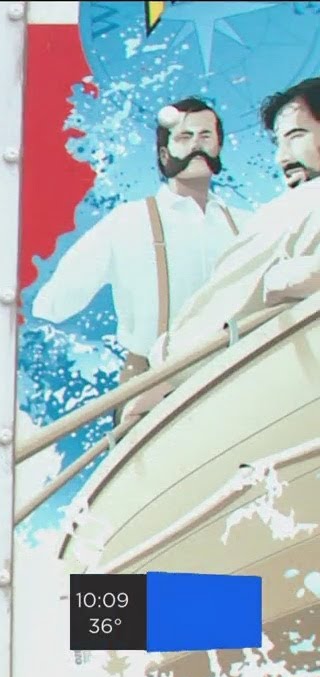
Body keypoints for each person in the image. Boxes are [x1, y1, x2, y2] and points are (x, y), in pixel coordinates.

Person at [120, 78, 320, 421]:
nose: (281, 158)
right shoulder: (134, 220)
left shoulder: (304, 202)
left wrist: (162, 379)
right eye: (278, 143)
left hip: (192, 384)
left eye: (296, 136)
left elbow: (260, 288)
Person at [31, 97, 249, 385]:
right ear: (163, 154)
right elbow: (54, 303)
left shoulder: (247, 224)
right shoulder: (128, 222)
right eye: (185, 137)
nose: (197, 145)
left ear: (219, 146)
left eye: (205, 136)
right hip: (153, 382)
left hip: (236, 372)